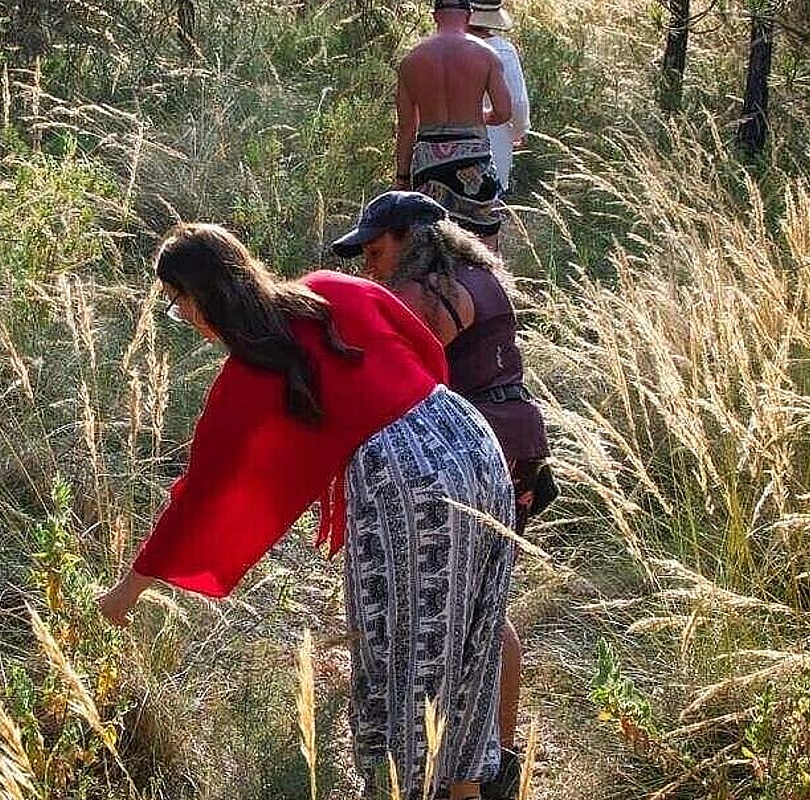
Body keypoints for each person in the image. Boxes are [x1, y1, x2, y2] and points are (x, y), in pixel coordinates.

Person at [98, 222, 516, 800]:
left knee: (402, 657)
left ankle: (404, 788)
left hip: (405, 481)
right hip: (470, 438)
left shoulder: (249, 375)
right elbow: (420, 342)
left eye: (178, 301)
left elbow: (200, 497)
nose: (184, 317)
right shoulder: (330, 289)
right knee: (472, 632)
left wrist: (126, 591)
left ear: (201, 297)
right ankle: (466, 787)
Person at [332, 192, 554, 800]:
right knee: (484, 606)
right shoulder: (479, 275)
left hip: (477, 453)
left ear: (413, 239)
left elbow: (396, 369)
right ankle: (492, 757)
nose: (369, 267)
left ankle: (484, 761)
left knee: (475, 615)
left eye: (376, 251)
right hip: (512, 444)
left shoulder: (431, 292)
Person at [394, 0, 513, 250]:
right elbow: (503, 113)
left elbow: (406, 127)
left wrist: (402, 177)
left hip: (428, 166)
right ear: (469, 16)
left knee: (432, 246)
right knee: (485, 247)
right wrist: (474, 116)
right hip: (474, 162)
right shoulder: (486, 55)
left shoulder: (411, 60)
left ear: (435, 16)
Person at [467, 0, 530, 194]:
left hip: (444, 148)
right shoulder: (503, 50)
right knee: (488, 203)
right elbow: (517, 103)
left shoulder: (441, 49)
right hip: (493, 144)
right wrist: (519, 131)